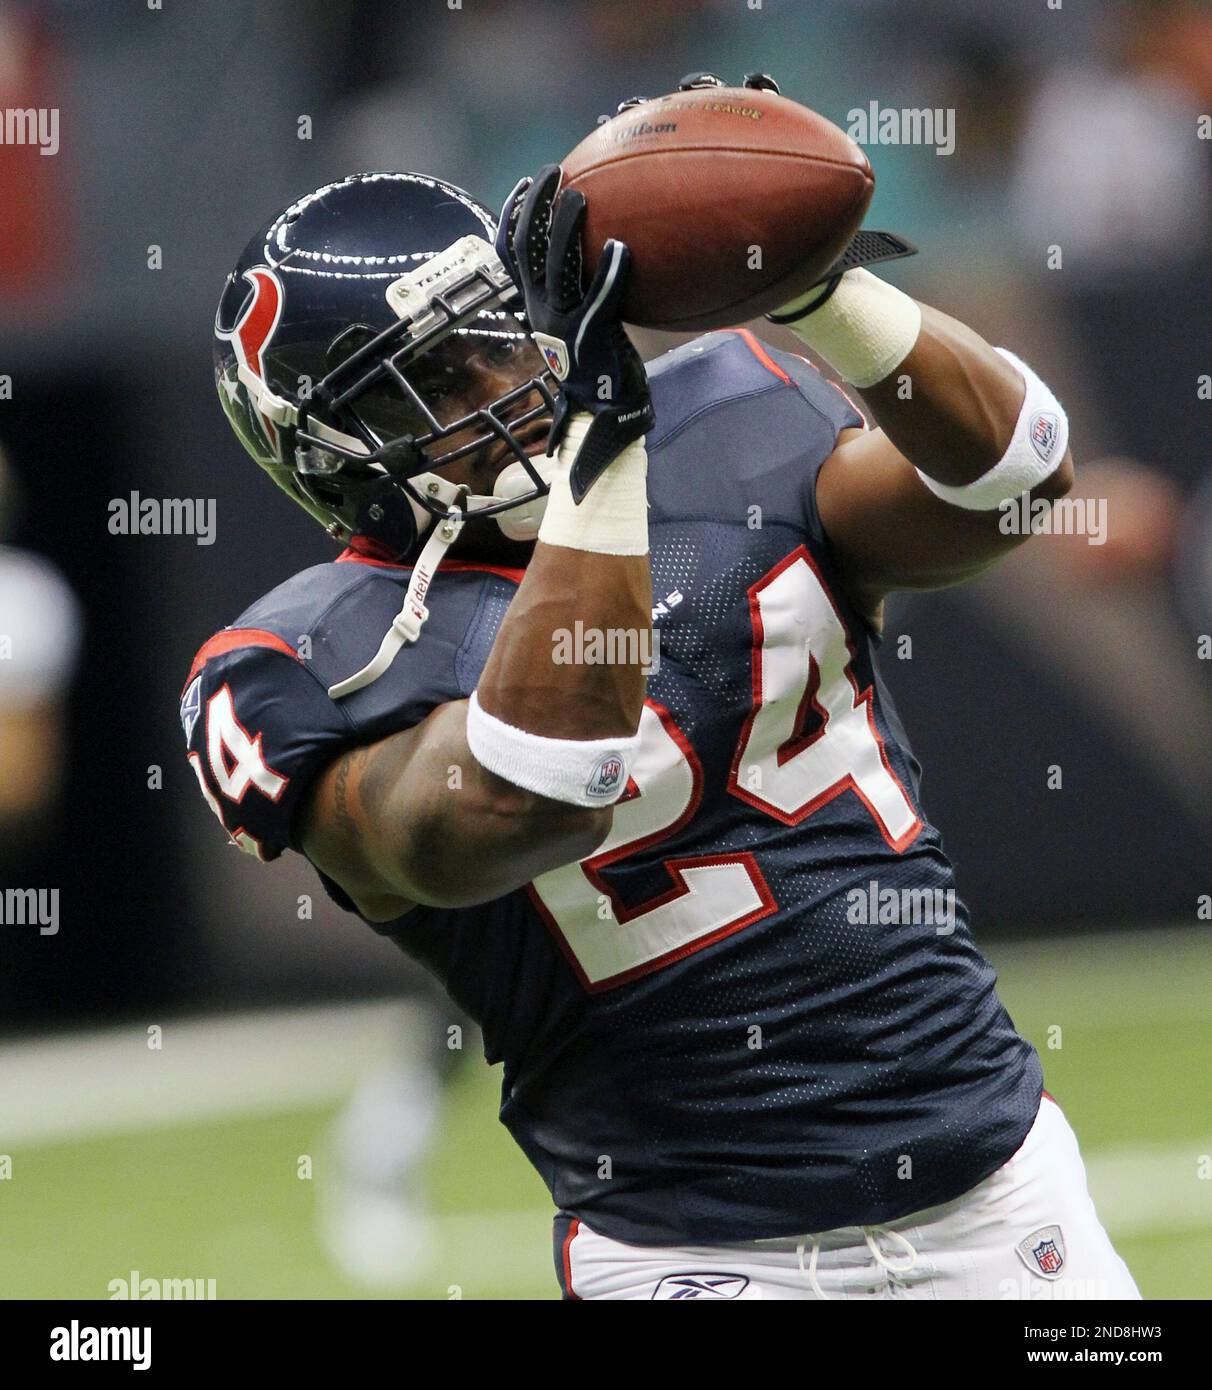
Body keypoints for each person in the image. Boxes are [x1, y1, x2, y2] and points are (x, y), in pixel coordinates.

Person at [182, 110, 1136, 1298]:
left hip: (1000, 1185)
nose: (501, 381)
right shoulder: (301, 657)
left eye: (495, 329)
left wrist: (822, 292)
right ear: (325, 453)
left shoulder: (732, 414)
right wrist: (602, 461)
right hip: (687, 1252)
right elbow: (522, 802)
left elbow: (1016, 480)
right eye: (427, 380)